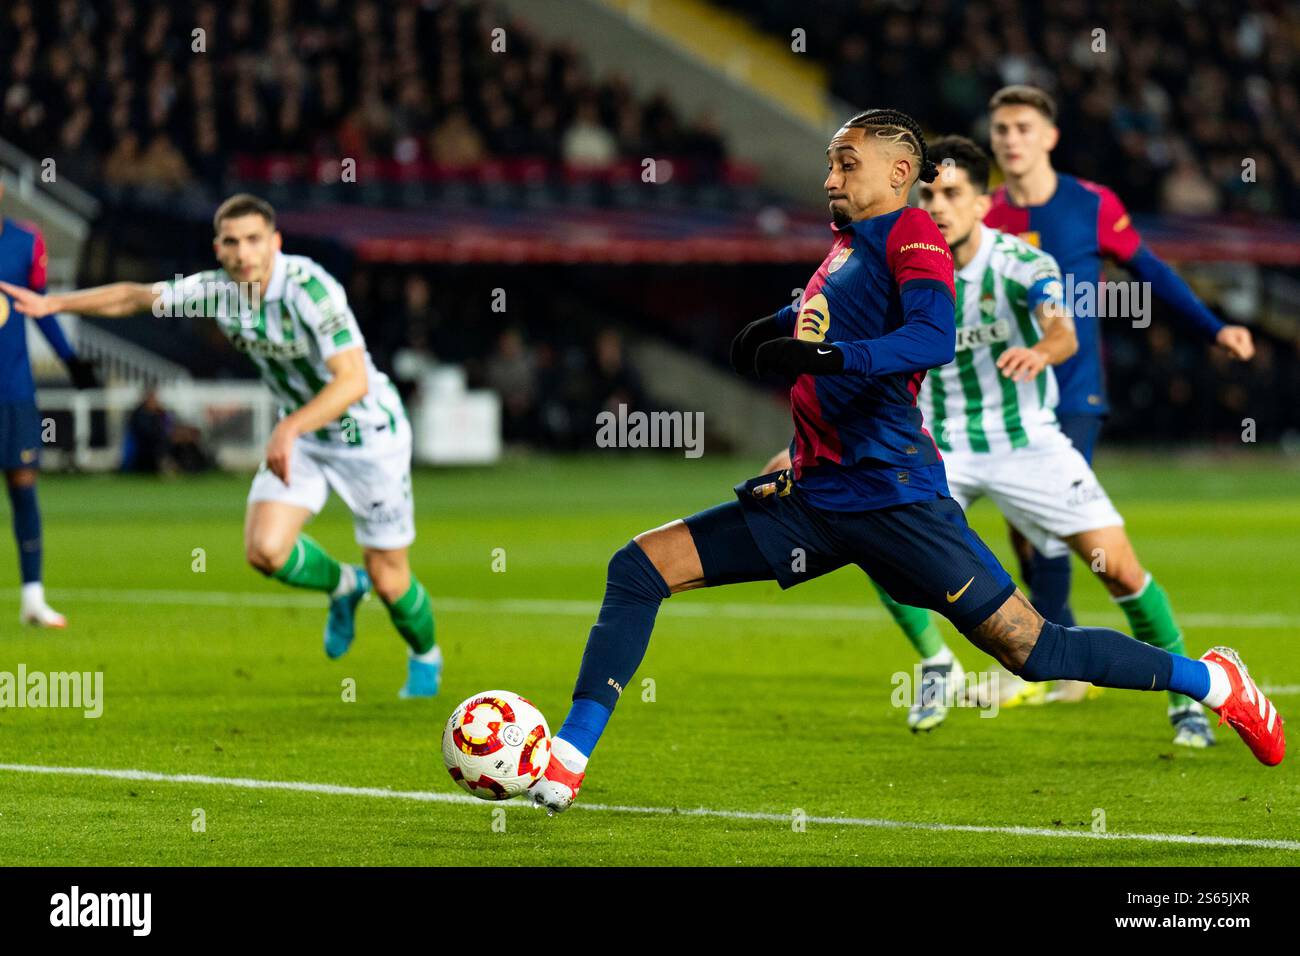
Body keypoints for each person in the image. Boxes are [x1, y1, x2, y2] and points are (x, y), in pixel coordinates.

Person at [527, 110, 1284, 815]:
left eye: (845, 164)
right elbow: (833, 319)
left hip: (894, 499)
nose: (830, 179)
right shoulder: (847, 245)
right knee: (637, 568)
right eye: (830, 165)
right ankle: (567, 757)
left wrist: (825, 354)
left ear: (897, 172)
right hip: (815, 497)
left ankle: (1215, 681)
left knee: (1032, 648)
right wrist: (777, 326)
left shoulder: (913, 231)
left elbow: (930, 337)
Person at [0, 194, 439, 697]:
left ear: (275, 242)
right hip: (302, 435)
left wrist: (289, 427)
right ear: (219, 248)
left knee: (391, 580)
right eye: (231, 242)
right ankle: (344, 585)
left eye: (254, 240)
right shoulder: (217, 291)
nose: (243, 252)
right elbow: (134, 297)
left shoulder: (311, 289)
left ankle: (425, 656)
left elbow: (353, 380)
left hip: (367, 437)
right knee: (265, 551)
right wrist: (53, 303)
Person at [982, 85, 1255, 685]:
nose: (1011, 139)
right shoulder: (985, 217)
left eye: (1023, 127)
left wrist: (1213, 328)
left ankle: (1086, 669)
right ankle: (1069, 660)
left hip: (1074, 391)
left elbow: (1149, 269)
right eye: (1001, 130)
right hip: (1011, 401)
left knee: (1055, 528)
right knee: (1030, 538)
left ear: (1049, 137)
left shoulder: (1090, 204)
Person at [0, 183, 98, 627]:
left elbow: (41, 308)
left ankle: (33, 599)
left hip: (15, 390)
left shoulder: (26, 241)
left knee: (24, 484)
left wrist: (70, 360)